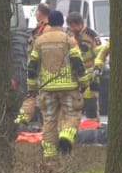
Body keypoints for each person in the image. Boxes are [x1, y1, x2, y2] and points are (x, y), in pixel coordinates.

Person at [28, 10, 87, 158]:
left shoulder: (39, 41)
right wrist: (84, 82)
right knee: (72, 114)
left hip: (47, 88)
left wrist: (32, 88)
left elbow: (32, 67)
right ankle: (66, 137)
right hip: (69, 88)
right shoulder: (69, 40)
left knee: (49, 120)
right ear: (62, 23)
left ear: (49, 22)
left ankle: (49, 155)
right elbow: (78, 63)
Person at [16, 3, 53, 128]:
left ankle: (45, 126)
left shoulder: (47, 29)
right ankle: (22, 122)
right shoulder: (40, 28)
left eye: (37, 12)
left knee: (41, 97)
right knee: (31, 94)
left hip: (42, 69)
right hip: (35, 69)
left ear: (40, 13)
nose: (36, 14)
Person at [66, 11, 101, 119]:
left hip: (90, 75)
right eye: (69, 26)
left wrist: (97, 70)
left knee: (91, 105)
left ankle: (94, 126)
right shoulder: (68, 35)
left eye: (73, 26)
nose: (71, 29)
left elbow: (100, 55)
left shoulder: (92, 35)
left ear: (80, 24)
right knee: (74, 106)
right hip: (74, 75)